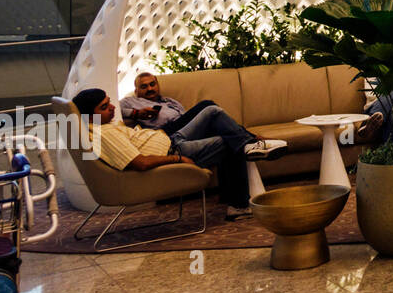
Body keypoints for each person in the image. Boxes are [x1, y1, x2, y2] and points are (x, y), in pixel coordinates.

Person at [70, 88, 287, 220]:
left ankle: (247, 145)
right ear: (89, 115)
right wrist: (178, 158)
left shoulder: (100, 126)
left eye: (109, 103)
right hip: (173, 150)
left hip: (168, 139)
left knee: (210, 109)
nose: (112, 108)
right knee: (227, 140)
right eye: (104, 106)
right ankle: (239, 205)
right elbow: (141, 163)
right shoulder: (103, 135)